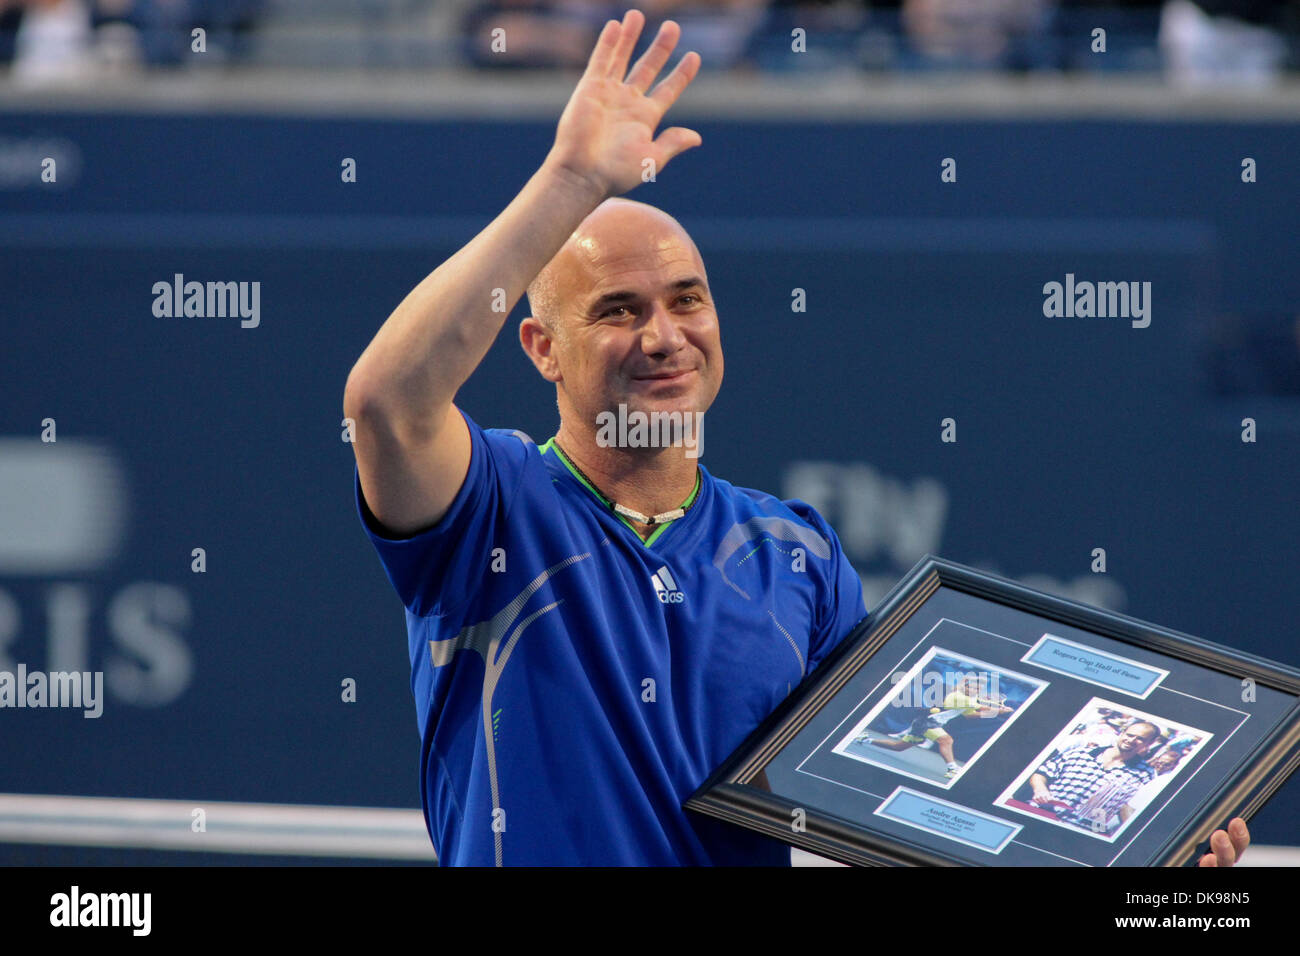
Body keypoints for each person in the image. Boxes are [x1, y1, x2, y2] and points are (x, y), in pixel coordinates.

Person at [344, 7, 1250, 867]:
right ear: (542, 347)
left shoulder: (800, 554)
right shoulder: (492, 508)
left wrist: (1141, 857)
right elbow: (386, 401)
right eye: (618, 311)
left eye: (686, 300)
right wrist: (570, 182)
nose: (664, 336)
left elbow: (889, 820)